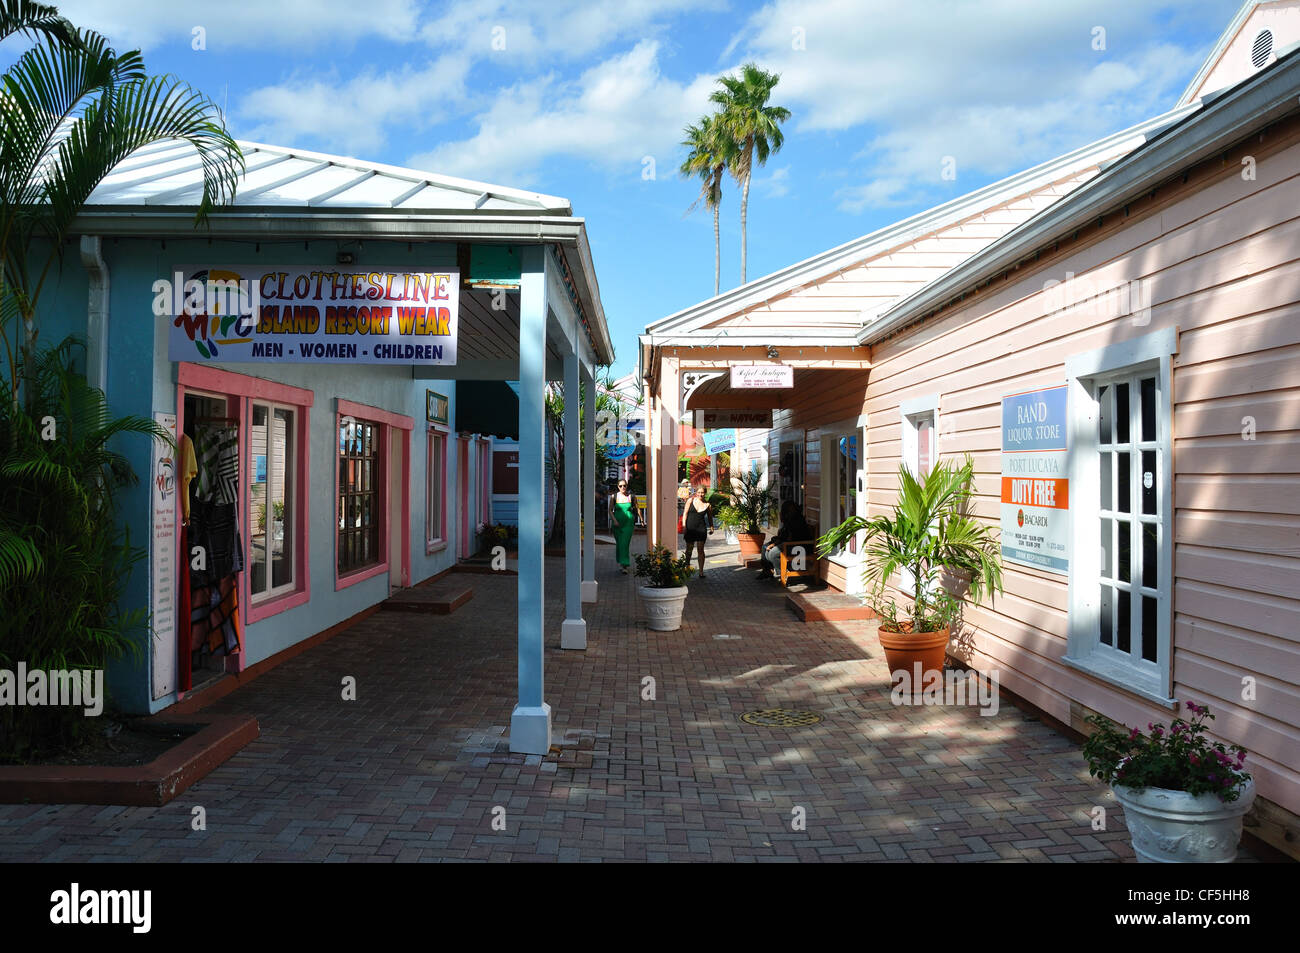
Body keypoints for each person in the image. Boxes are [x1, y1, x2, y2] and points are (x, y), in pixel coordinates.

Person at [758, 500, 813, 579]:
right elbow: (784, 536)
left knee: (772, 553)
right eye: (788, 510)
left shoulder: (798, 520)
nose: (790, 511)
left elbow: (791, 538)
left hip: (798, 545)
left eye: (791, 509)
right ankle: (767, 571)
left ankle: (783, 572)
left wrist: (774, 544)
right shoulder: (788, 519)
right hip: (788, 543)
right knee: (765, 548)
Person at [682, 484, 714, 577]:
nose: (700, 494)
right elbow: (685, 514)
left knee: (700, 550)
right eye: (699, 492)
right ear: (696, 492)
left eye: (702, 493)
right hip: (690, 528)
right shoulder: (690, 500)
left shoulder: (708, 505)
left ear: (705, 493)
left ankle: (701, 571)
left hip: (701, 529)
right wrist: (684, 526)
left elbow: (710, 517)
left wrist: (711, 527)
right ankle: (686, 567)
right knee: (689, 549)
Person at [610, 479, 639, 574]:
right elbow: (610, 510)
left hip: (628, 524)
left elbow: (637, 508)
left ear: (627, 486)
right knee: (619, 543)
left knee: (624, 544)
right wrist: (614, 521)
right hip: (617, 525)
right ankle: (621, 561)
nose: (623, 488)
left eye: (625, 486)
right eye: (621, 486)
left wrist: (641, 520)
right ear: (618, 487)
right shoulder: (614, 496)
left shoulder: (631, 496)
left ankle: (625, 565)